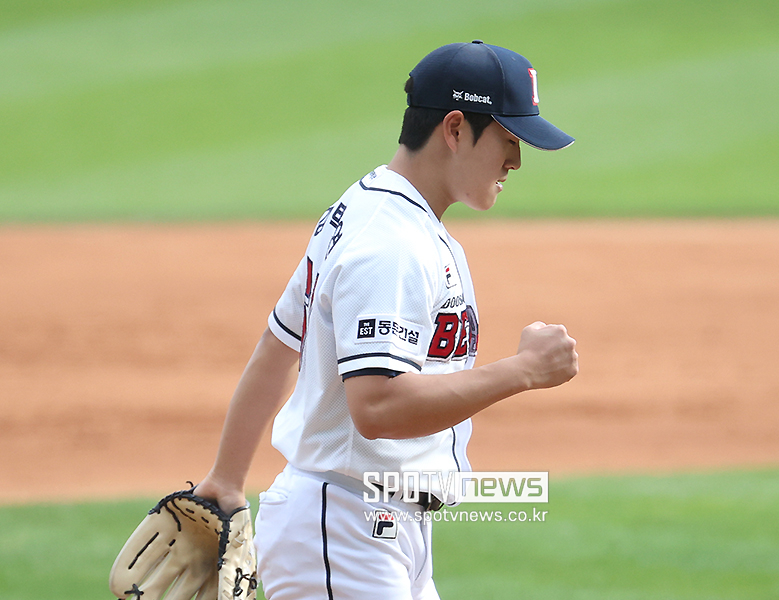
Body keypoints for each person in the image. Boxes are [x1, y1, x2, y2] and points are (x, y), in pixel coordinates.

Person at [194, 40, 578, 599]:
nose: (516, 161)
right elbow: (376, 406)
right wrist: (522, 371)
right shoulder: (390, 242)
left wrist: (227, 479)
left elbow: (281, 344)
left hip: (370, 527)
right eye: (508, 139)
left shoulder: (372, 211)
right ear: (455, 129)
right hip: (343, 533)